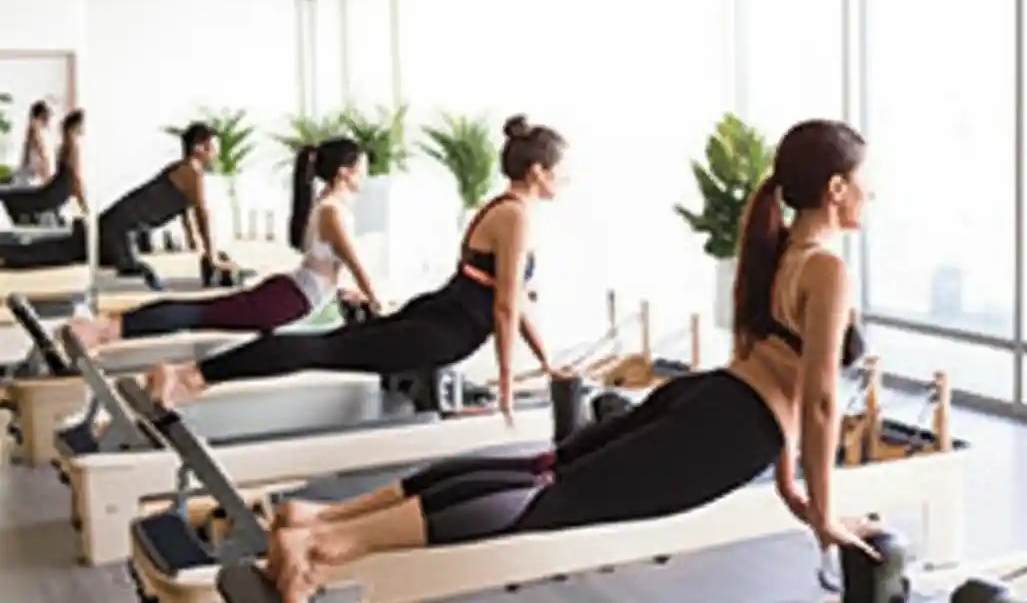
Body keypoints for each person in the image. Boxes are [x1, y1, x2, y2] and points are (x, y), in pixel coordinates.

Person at [258, 119, 881, 602]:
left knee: (545, 472)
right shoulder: (829, 269)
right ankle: (324, 549)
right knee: (550, 500)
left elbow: (766, 364)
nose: (871, 193)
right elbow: (819, 399)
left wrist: (793, 490)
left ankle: (317, 522)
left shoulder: (781, 251)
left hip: (711, 396)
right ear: (836, 189)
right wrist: (823, 514)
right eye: (865, 181)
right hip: (733, 429)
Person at [145, 114, 568, 415]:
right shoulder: (517, 217)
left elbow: (516, 301)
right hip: (444, 330)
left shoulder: (507, 209)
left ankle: (190, 374)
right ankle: (191, 376)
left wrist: (545, 362)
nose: (566, 180)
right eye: (561, 171)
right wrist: (507, 385)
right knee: (322, 350)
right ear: (538, 172)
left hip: (441, 316)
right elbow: (506, 306)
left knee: (324, 347)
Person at [65, 137, 380, 348]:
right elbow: (355, 264)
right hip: (292, 299)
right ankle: (103, 329)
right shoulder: (332, 211)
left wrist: (345, 292)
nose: (365, 176)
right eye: (362, 169)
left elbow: (327, 264)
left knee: (200, 311)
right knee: (198, 314)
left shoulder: (328, 205)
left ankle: (105, 327)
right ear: (345, 173)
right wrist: (377, 301)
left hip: (295, 293)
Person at [0, 121, 236, 287]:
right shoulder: (192, 171)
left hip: (117, 228)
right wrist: (213, 257)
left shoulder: (182, 170)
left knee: (59, 249)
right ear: (199, 147)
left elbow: (188, 210)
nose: (216, 153)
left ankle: (8, 253)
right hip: (119, 233)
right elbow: (203, 212)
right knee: (56, 253)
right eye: (214, 147)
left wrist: (200, 248)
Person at [0, 108, 87, 224]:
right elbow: (76, 178)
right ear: (76, 126)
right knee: (12, 198)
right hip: (53, 195)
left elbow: (73, 178)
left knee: (11, 198)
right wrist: (84, 205)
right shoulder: (72, 148)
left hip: (52, 194)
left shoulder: (65, 147)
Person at [15, 101, 53, 186]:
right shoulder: (35, 126)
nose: (49, 119)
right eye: (47, 115)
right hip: (30, 178)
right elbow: (41, 152)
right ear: (42, 114)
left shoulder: (33, 127)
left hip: (28, 175)